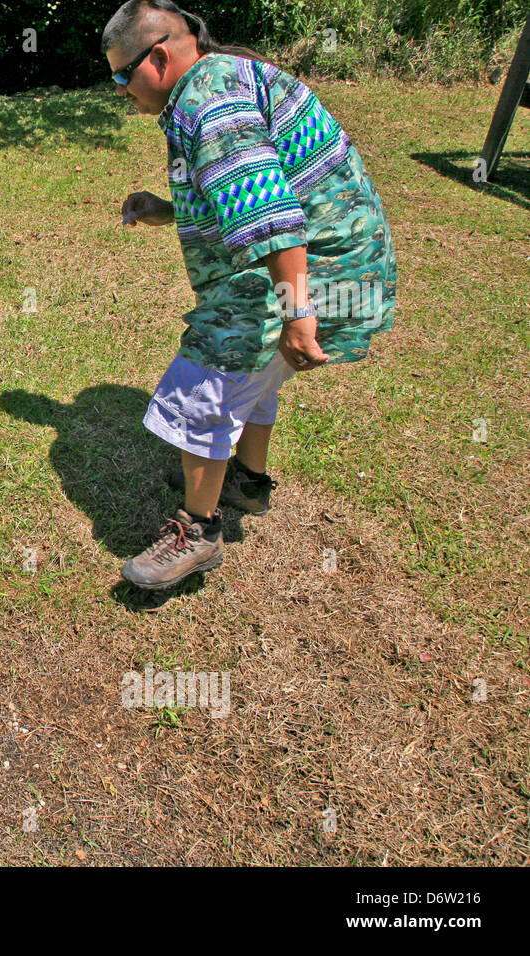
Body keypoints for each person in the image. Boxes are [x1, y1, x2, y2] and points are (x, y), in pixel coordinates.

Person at [103, 0, 397, 590]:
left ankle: (199, 530)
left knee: (208, 376)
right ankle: (247, 482)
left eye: (121, 74)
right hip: (334, 259)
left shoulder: (207, 99)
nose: (120, 89)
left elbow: (272, 217)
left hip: (310, 265)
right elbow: (247, 190)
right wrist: (167, 210)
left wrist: (299, 315)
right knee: (256, 371)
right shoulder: (221, 78)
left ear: (158, 56)